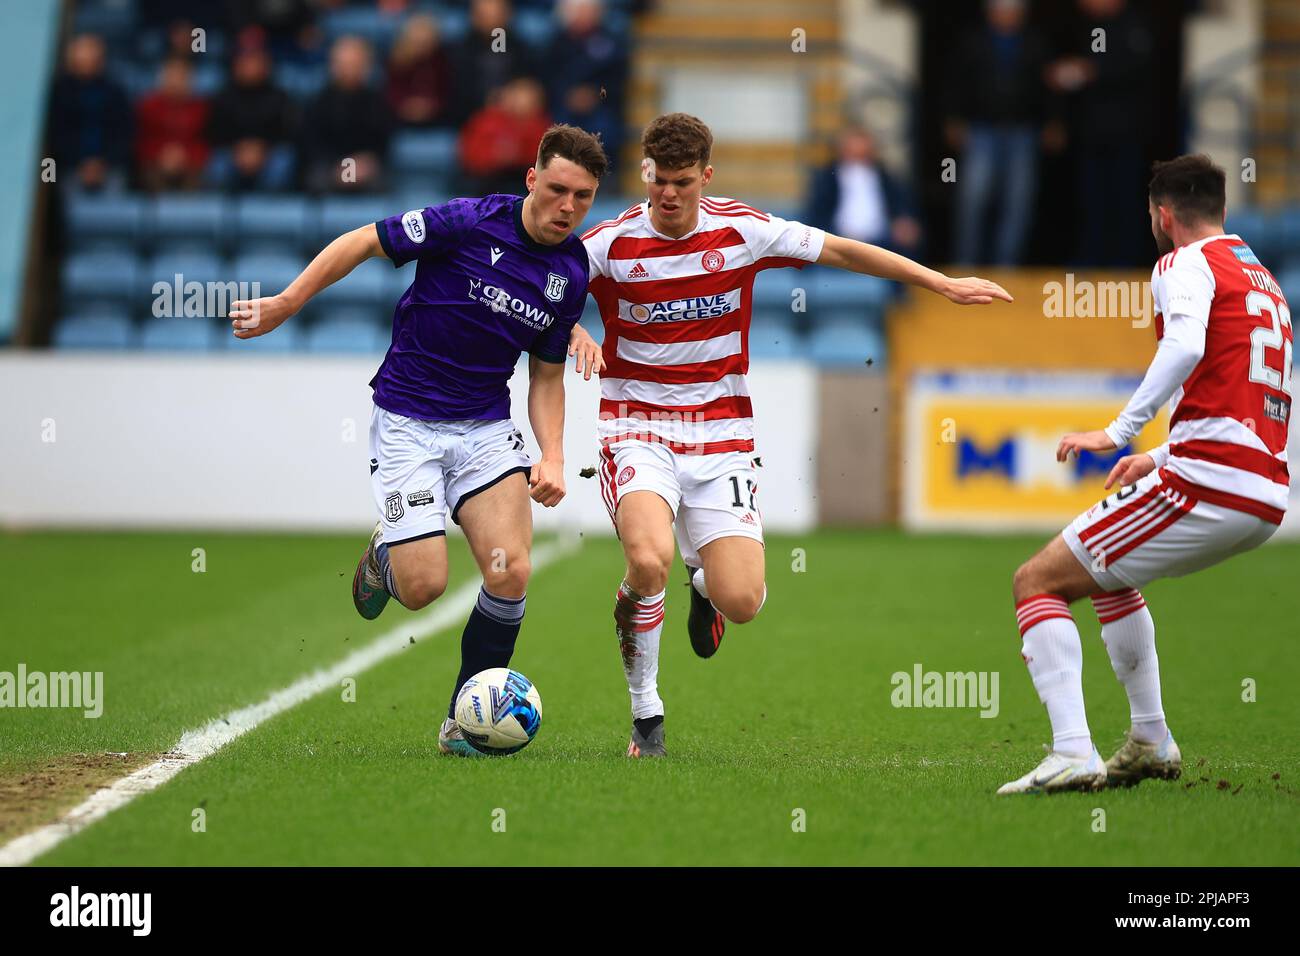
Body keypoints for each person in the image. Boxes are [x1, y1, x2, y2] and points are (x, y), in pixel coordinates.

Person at [570, 113, 1011, 757]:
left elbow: (841, 250)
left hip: (722, 436)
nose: (668, 195)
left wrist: (937, 281)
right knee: (646, 559)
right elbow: (542, 291)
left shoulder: (743, 230)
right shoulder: (608, 244)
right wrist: (571, 329)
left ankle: (706, 590)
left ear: (706, 177)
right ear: (645, 174)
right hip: (636, 429)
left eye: (683, 183)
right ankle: (647, 718)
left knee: (743, 599)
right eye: (659, 181)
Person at [227, 125, 609, 756]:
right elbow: (362, 241)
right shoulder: (464, 221)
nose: (568, 207)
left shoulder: (570, 271)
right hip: (408, 420)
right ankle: (385, 556)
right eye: (559, 189)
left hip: (485, 427)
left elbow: (545, 375)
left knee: (509, 572)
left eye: (584, 197)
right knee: (425, 586)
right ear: (532, 178)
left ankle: (464, 720)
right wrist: (288, 303)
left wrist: (555, 455)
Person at [1001, 155, 1292, 794]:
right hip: (1263, 491)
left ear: (1163, 215)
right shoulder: (1263, 279)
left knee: (1036, 581)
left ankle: (1072, 751)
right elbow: (1239, 396)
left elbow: (1183, 346)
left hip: (1211, 482)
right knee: (1107, 574)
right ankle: (1150, 738)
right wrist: (1160, 456)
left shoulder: (1183, 263)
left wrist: (1118, 432)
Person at [806, 125, 921, 256]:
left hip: (882, 242)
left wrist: (903, 222)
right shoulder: (827, 178)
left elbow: (901, 206)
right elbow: (817, 214)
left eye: (863, 152)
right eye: (852, 151)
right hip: (838, 242)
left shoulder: (885, 177)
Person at [301, 36, 392, 192]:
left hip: (366, 167)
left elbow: (383, 141)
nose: (348, 70)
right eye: (343, 64)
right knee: (315, 180)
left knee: (382, 184)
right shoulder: (318, 102)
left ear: (366, 67)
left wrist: (363, 163)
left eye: (354, 64)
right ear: (332, 66)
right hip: (329, 167)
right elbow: (311, 143)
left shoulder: (378, 102)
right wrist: (339, 167)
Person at [207, 43, 297, 191]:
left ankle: (271, 211)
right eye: (246, 62)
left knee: (282, 164)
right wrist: (237, 150)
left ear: (266, 66)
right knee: (218, 166)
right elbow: (215, 132)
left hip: (269, 153)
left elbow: (287, 133)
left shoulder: (280, 97)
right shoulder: (223, 97)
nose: (250, 68)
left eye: (255, 62)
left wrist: (263, 149)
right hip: (232, 153)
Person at [49, 33, 132, 191]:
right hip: (70, 165)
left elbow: (124, 133)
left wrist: (103, 162)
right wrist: (80, 162)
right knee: (50, 172)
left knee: (117, 180)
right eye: (82, 54)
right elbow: (56, 134)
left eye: (92, 54)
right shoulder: (59, 92)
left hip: (109, 166)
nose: (87, 60)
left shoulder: (115, 92)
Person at [134, 57, 210, 192]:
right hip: (156, 162)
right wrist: (160, 154)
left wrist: (185, 156)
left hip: (191, 163)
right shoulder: (148, 106)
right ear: (162, 78)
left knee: (202, 174)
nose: (176, 82)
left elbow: (206, 141)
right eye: (171, 76)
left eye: (182, 77)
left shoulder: (201, 108)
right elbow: (141, 140)